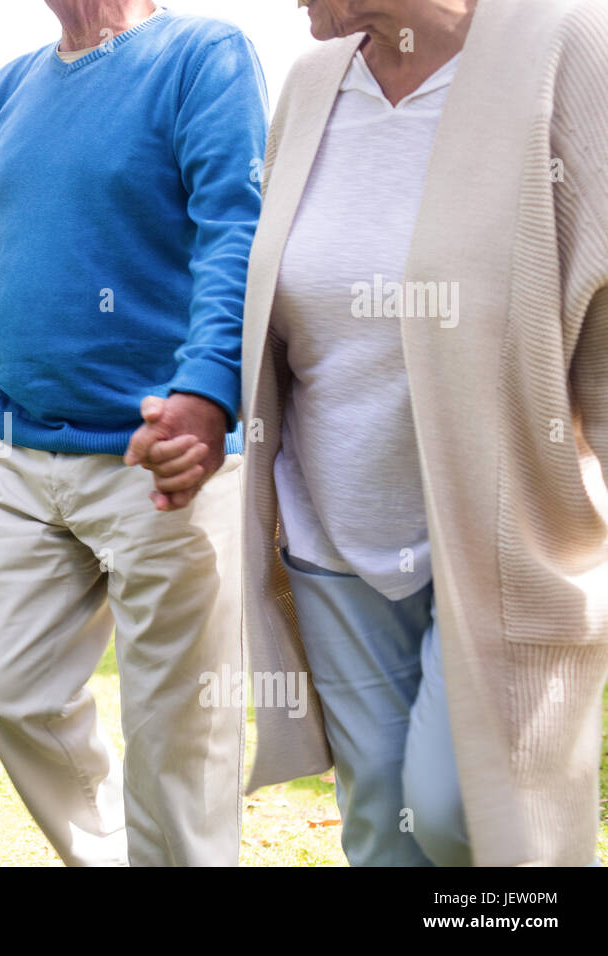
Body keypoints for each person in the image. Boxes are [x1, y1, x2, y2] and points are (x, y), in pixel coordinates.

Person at [0, 0, 267, 866]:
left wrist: (206, 390)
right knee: (5, 689)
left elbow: (234, 232)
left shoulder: (203, 55)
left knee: (178, 731)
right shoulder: (11, 88)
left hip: (161, 455)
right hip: (23, 454)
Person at [239, 0, 608, 866]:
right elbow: (280, 309)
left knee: (467, 816)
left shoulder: (564, 45)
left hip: (503, 531)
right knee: (381, 828)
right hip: (333, 529)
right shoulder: (309, 83)